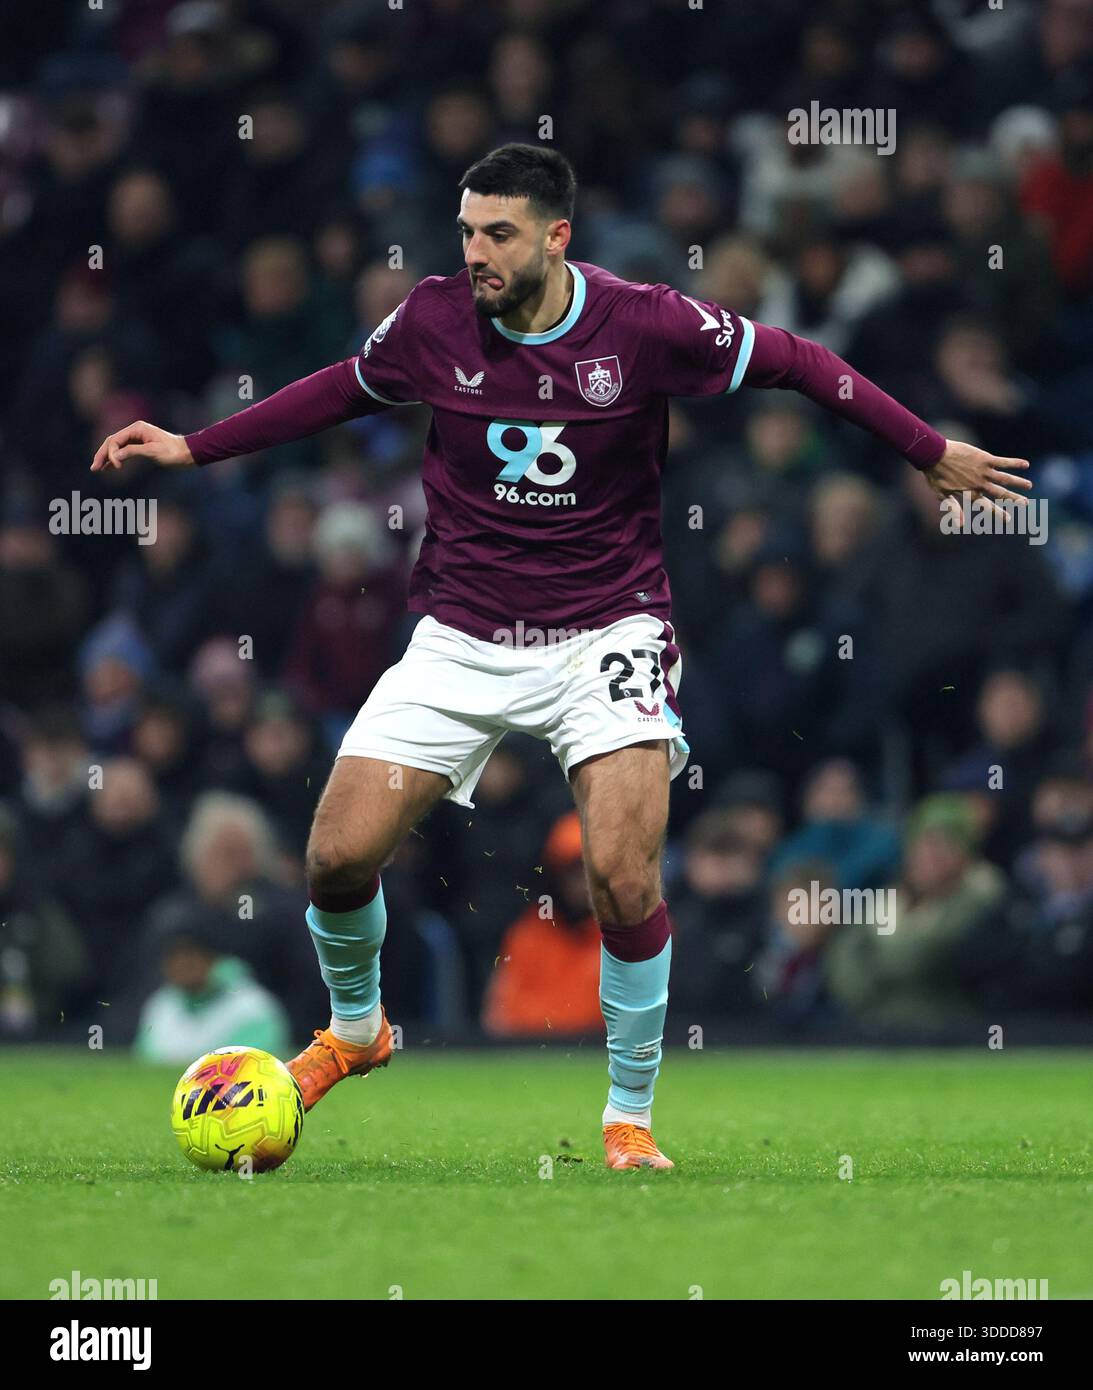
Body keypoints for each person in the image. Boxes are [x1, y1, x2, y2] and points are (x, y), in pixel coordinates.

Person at [91, 144, 1033, 1172]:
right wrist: (195, 444)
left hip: (607, 629)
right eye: (465, 232)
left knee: (623, 876)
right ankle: (357, 1030)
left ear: (556, 237)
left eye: (497, 234)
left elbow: (801, 361)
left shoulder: (647, 324)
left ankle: (628, 1117)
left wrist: (927, 450)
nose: (476, 254)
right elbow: (338, 391)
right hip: (460, 634)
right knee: (333, 855)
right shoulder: (433, 320)